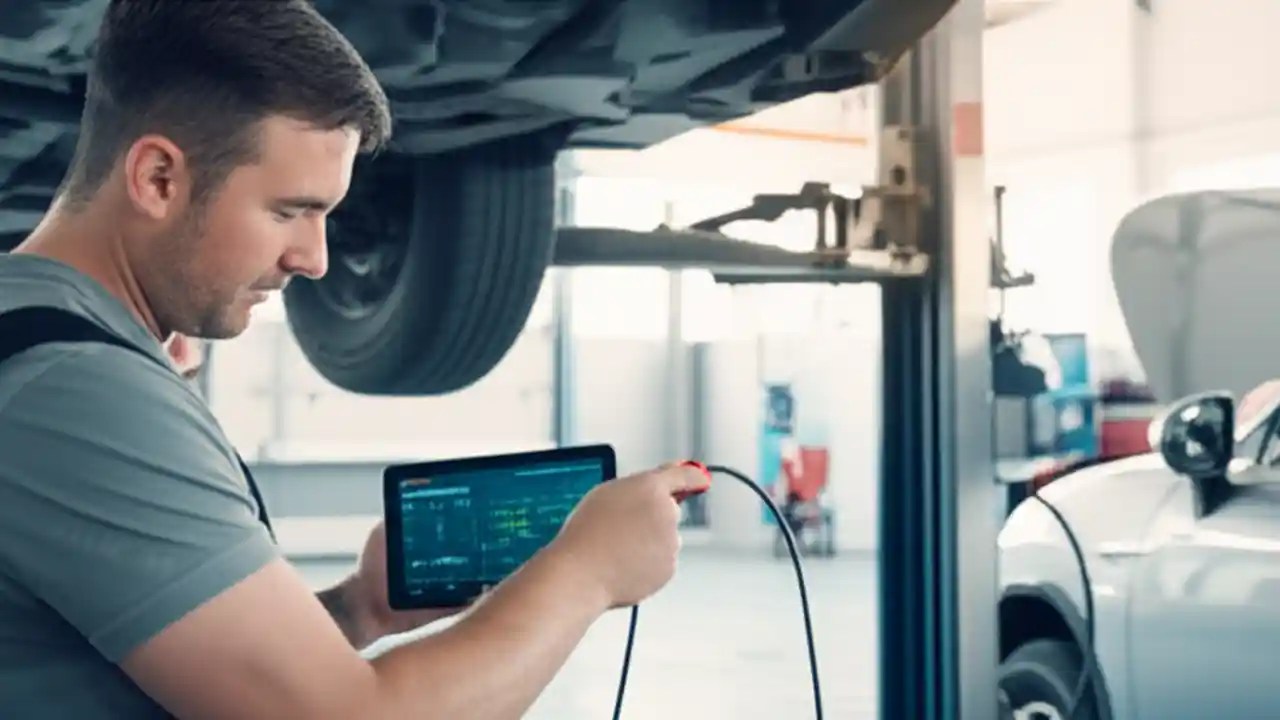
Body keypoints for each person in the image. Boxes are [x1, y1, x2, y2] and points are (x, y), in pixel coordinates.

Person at [0, 2, 705, 718]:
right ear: (157, 178)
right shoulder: (79, 390)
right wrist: (586, 572)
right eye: (288, 211)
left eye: (326, 215)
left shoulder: (31, 330)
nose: (315, 258)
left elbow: (155, 657)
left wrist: (359, 609)